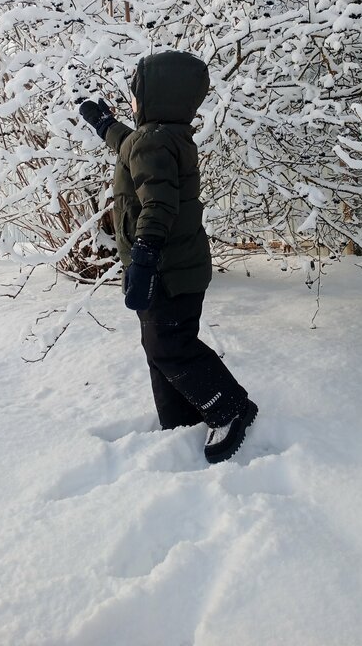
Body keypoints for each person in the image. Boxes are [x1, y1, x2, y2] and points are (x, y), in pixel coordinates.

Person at [79, 49, 257, 464]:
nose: (133, 102)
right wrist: (106, 125)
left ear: (156, 96)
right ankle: (179, 420)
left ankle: (230, 407)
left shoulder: (153, 140)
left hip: (166, 269)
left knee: (168, 344)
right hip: (181, 267)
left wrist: (143, 258)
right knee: (159, 342)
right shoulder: (165, 135)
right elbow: (129, 146)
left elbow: (158, 203)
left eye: (137, 94)